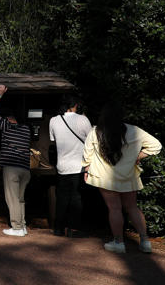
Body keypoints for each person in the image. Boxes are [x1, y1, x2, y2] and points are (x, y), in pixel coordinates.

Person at [82, 105, 162, 254]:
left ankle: (118, 242)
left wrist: (86, 170)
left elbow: (88, 154)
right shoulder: (134, 130)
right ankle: (145, 242)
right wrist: (138, 156)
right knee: (132, 207)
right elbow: (156, 146)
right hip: (128, 175)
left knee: (114, 209)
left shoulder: (95, 131)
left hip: (104, 176)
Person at [0, 84, 32, 237]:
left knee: (12, 199)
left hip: (11, 168)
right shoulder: (26, 129)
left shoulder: (6, 126)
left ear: (6, 117)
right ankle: (23, 225)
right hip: (25, 168)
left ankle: (17, 227)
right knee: (20, 199)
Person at [49, 96, 91, 237]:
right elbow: (91, 140)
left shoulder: (54, 120)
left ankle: (58, 228)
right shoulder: (82, 119)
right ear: (75, 106)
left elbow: (53, 140)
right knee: (76, 198)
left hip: (62, 165)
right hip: (79, 166)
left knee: (61, 198)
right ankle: (73, 228)